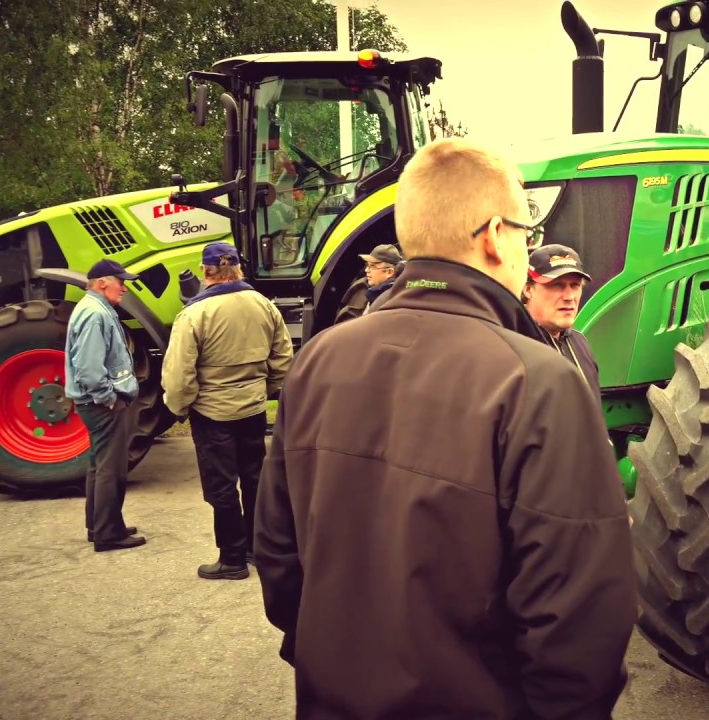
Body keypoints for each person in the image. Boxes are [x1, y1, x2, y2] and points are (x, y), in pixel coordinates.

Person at [254, 137, 637, 719]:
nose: (525, 249)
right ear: (491, 236)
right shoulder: (538, 381)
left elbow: (280, 558)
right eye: (524, 234)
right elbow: (578, 622)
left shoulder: (318, 360)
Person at [162, 241, 293, 580]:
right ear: (237, 268)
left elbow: (179, 375)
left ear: (206, 272)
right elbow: (282, 359)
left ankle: (232, 559)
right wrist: (262, 391)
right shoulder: (264, 305)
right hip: (252, 409)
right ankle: (255, 549)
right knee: (254, 479)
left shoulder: (194, 314)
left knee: (221, 487)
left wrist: (179, 406)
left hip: (212, 414)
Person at [65, 259, 144, 552]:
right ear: (101, 283)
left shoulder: (91, 309)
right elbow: (88, 366)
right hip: (102, 404)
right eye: (119, 281)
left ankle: (99, 524)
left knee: (99, 466)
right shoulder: (95, 314)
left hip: (94, 403)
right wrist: (107, 396)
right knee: (111, 468)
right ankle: (109, 534)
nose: (124, 287)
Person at [523, 243, 600, 399]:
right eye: (557, 285)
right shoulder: (512, 349)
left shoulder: (580, 342)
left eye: (575, 285)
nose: (569, 297)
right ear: (528, 290)